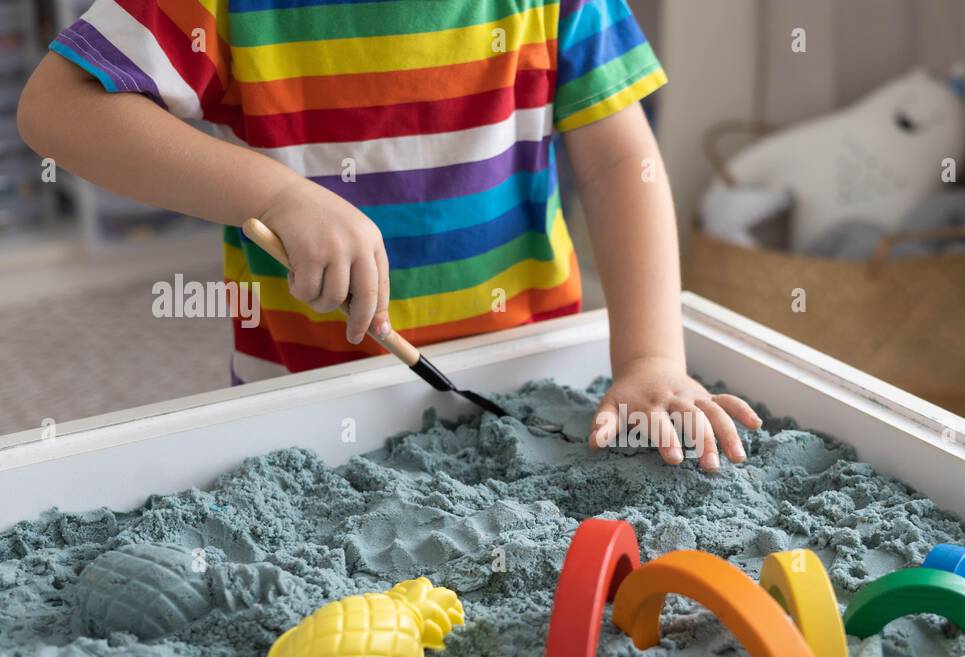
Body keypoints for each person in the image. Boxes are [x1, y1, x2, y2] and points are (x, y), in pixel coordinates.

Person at [18, 0, 759, 469]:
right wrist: (276, 193)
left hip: (529, 388)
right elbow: (57, 106)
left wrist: (651, 355)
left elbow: (621, 163)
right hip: (310, 410)